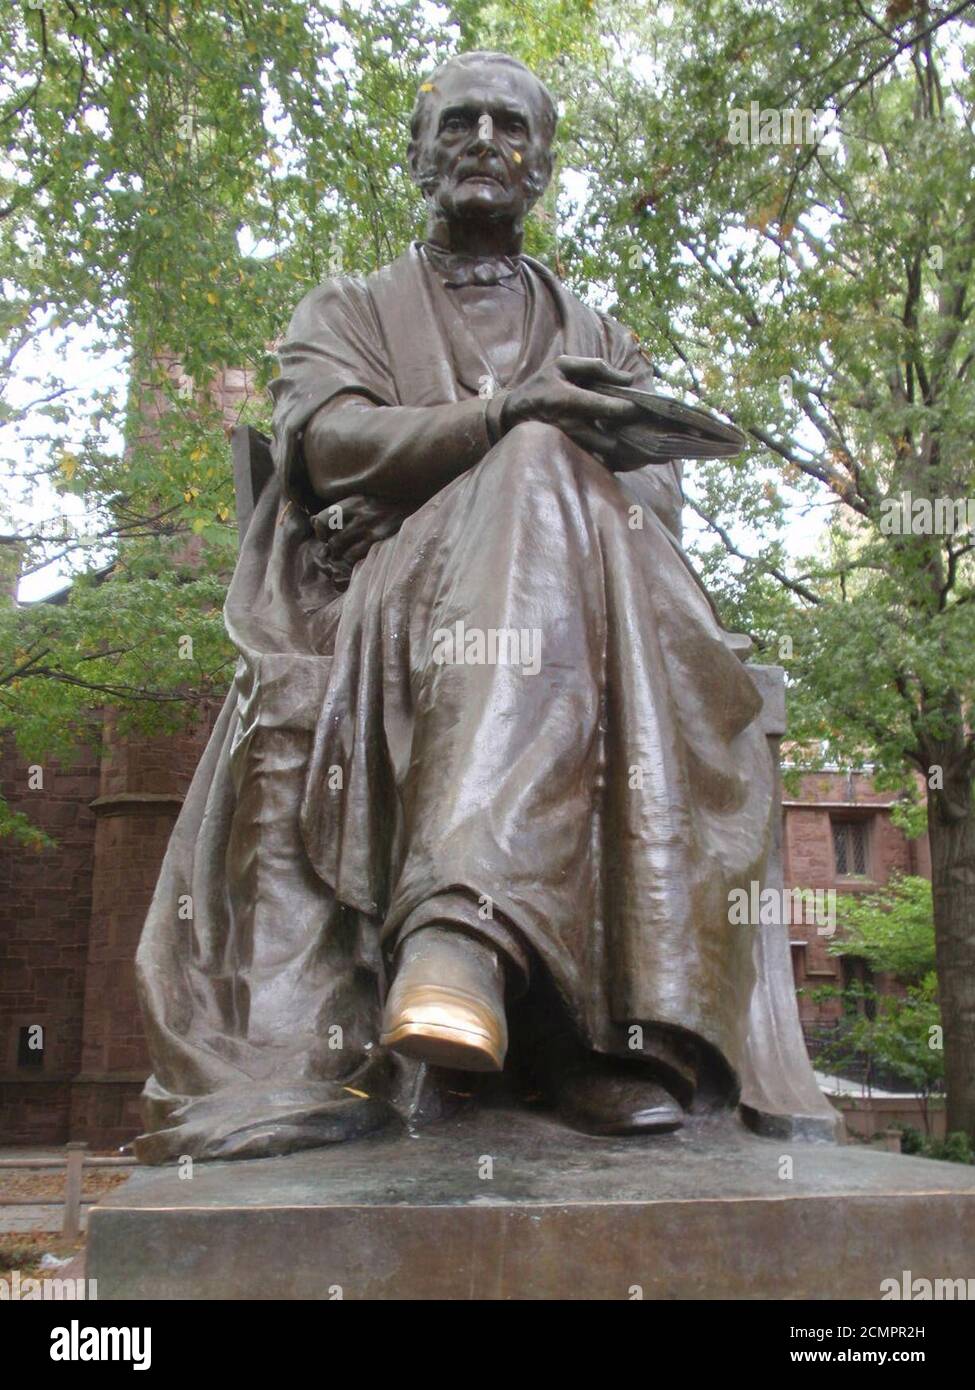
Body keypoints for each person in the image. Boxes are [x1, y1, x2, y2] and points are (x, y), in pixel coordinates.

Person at [134, 50, 774, 1163]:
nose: (486, 139)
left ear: (544, 168)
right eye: (461, 122)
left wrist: (559, 456)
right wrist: (507, 425)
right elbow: (328, 446)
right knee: (529, 455)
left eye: (512, 126)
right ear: (420, 153)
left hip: (591, 608)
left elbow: (654, 499)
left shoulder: (602, 332)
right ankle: (562, 1023)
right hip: (397, 597)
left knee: (559, 492)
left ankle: (483, 959)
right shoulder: (349, 309)